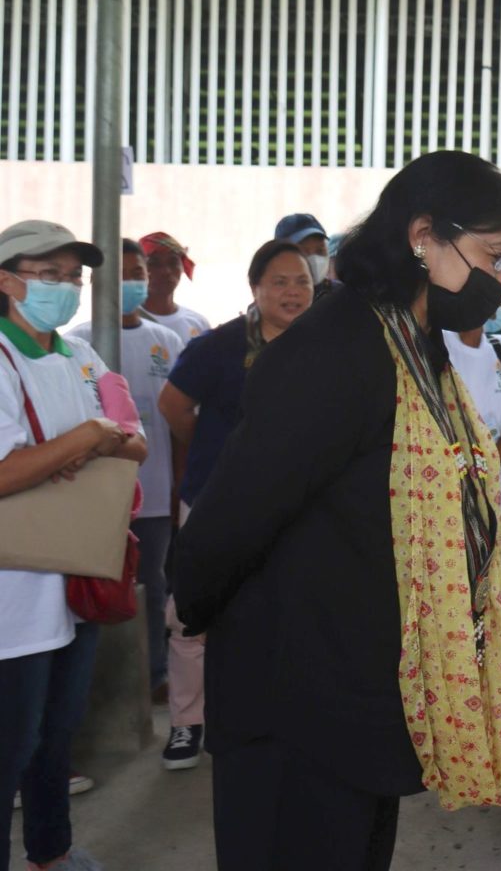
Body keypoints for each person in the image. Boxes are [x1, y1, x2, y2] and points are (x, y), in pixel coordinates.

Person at [172, 151, 501, 870]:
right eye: (493, 255)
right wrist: (196, 603)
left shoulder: (411, 343)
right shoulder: (338, 347)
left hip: (362, 682)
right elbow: (234, 516)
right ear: (423, 236)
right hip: (296, 689)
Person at [0, 220, 146, 871]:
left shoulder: (82, 357)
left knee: (57, 736)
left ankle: (51, 853)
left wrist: (84, 444)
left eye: (73, 277)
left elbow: (136, 440)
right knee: (10, 745)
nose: (64, 287)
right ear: (7, 282)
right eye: (48, 275)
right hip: (13, 594)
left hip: (78, 574)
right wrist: (88, 437)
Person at [156, 241, 315, 773]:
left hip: (293, 507)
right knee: (191, 613)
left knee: (281, 611)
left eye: (302, 282)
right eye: (280, 282)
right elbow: (173, 406)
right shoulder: (219, 346)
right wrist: (220, 456)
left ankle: (273, 716)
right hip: (212, 500)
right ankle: (187, 721)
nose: (292, 292)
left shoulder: (324, 347)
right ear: (255, 288)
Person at [66, 239, 184, 703]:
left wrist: (177, 484)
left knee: (152, 585)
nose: (131, 282)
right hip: (94, 494)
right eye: (122, 274)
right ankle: (95, 685)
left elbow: (174, 424)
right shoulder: (79, 342)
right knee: (90, 582)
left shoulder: (167, 341)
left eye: (137, 273)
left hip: (153, 491)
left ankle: (155, 673)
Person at [444, 310, 501, 639]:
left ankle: (500, 628)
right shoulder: (438, 343)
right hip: (449, 481)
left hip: (495, 482)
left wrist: (487, 468)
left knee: (496, 565)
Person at [138, 232, 210, 343]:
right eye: (154, 263)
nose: (166, 271)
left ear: (182, 268)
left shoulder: (198, 324)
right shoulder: (127, 324)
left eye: (173, 262)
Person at [275, 213, 334, 301]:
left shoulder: (342, 296)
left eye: (320, 251)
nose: (314, 260)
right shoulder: (273, 300)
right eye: (303, 252)